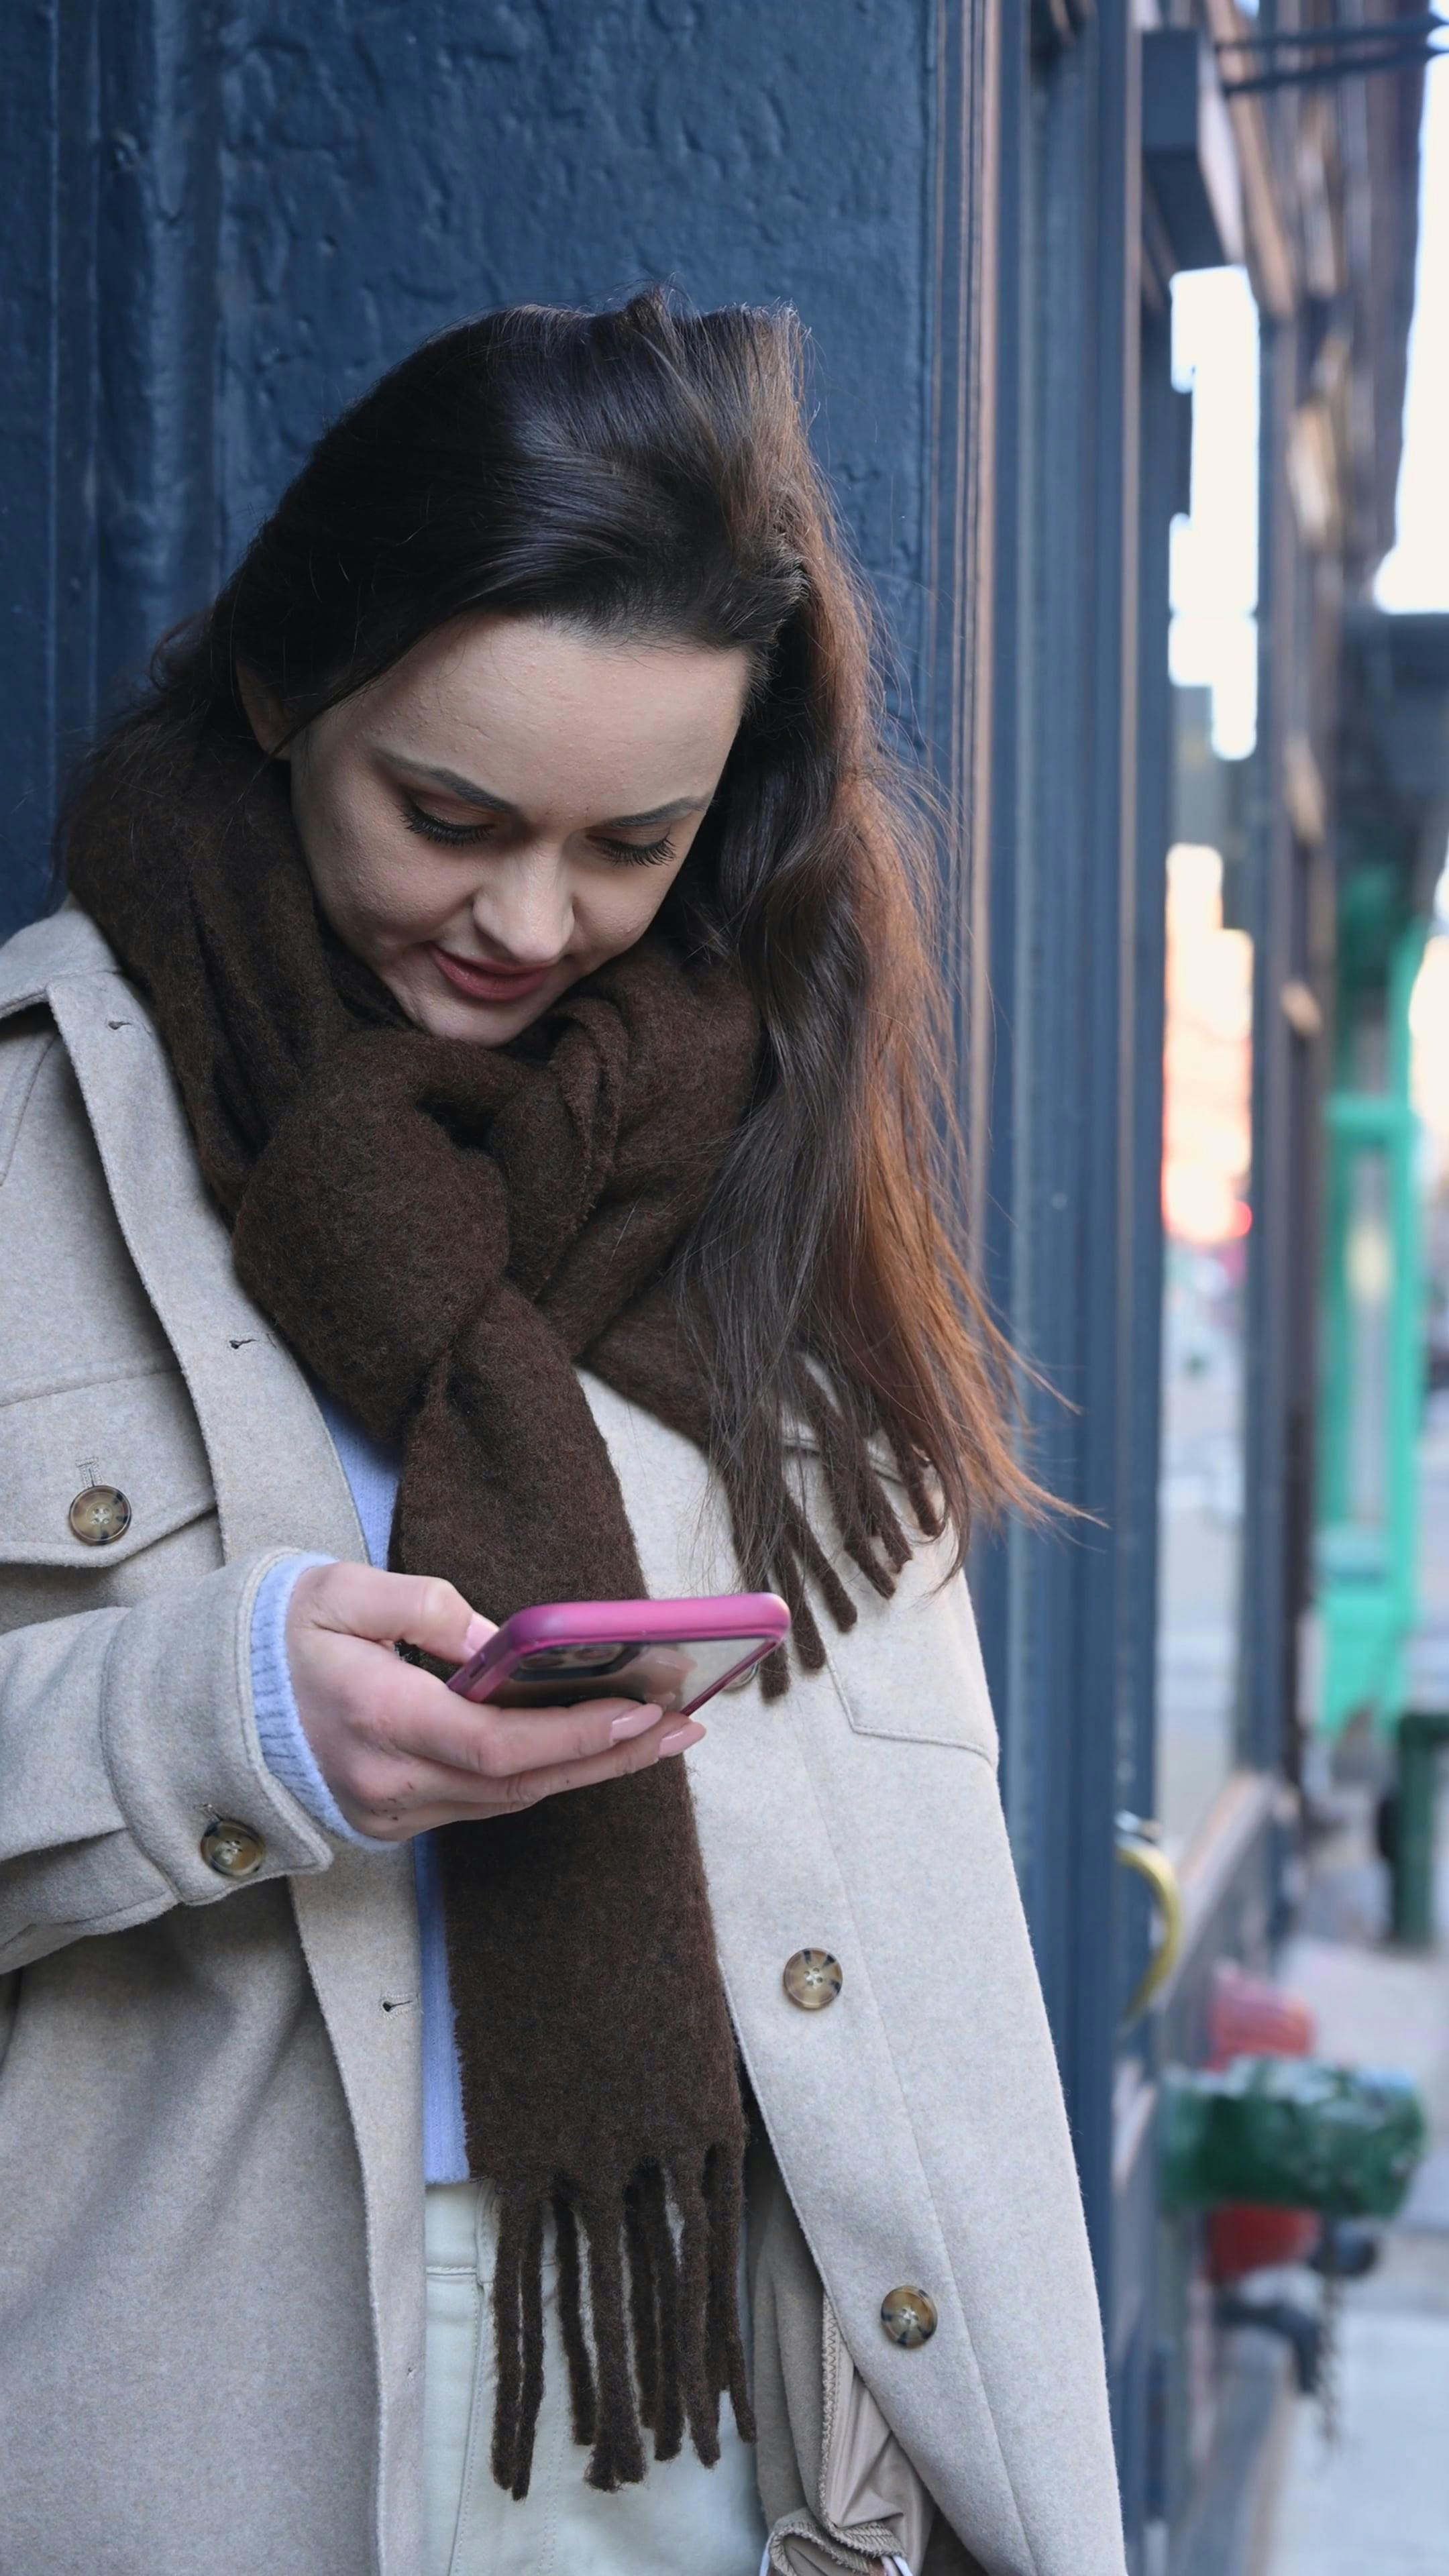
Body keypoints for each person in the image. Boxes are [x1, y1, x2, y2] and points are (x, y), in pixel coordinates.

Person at [0, 289, 1126, 2576]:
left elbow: (925, 1936)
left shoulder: (771, 1149)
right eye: (449, 814)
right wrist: (212, 1715)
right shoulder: (31, 1143)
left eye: (634, 842)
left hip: (729, 2393)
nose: (530, 920)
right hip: (184, 2430)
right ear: (276, 687)